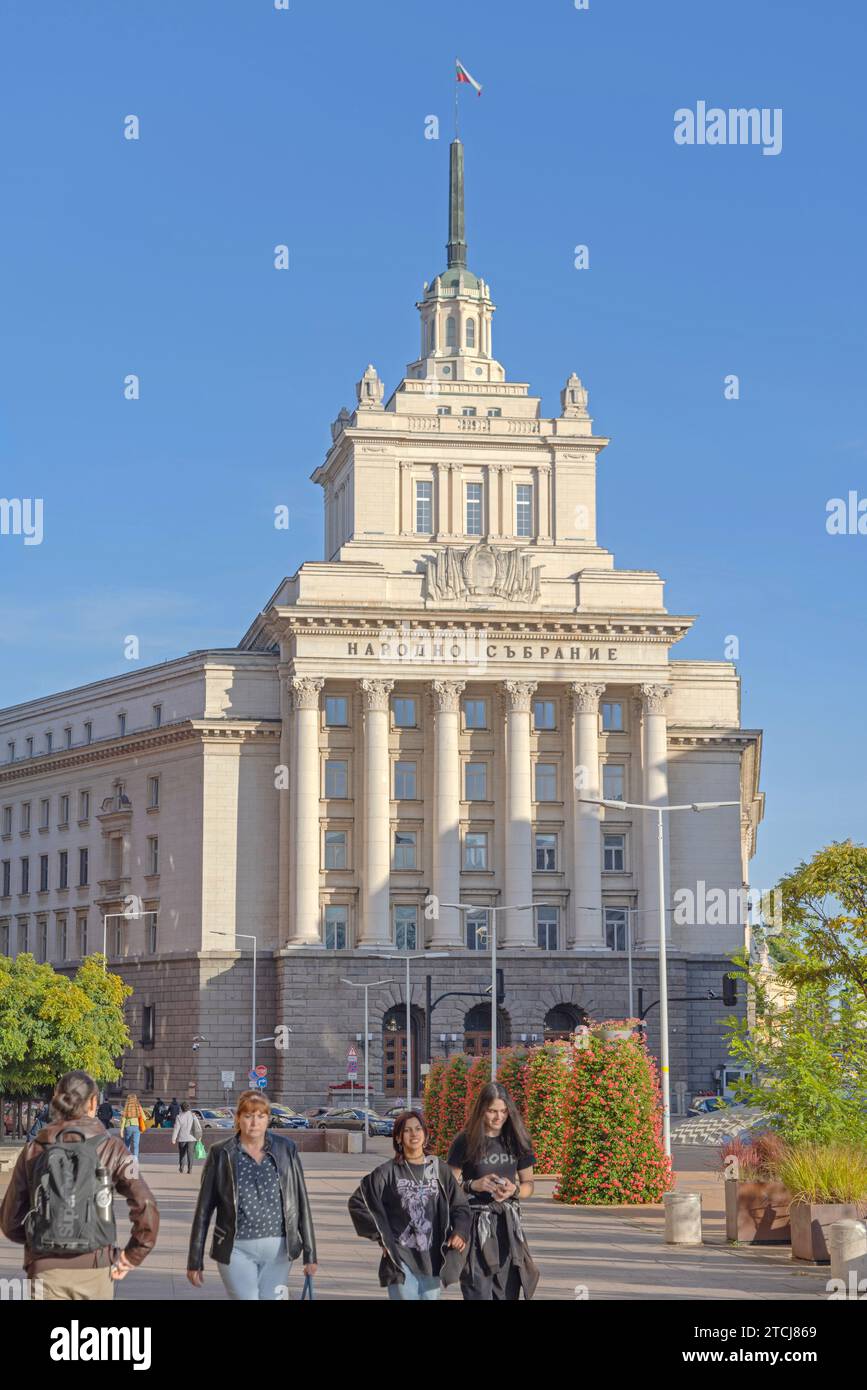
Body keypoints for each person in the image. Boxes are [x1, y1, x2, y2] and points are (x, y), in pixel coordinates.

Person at [0, 1069, 160, 1301]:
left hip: (45, 1270)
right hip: (95, 1267)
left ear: (56, 1099)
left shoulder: (34, 1149)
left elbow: (10, 1221)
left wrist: (42, 1236)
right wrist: (133, 1254)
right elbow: (146, 1204)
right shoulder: (111, 1148)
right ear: (93, 1102)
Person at [186, 1089, 317, 1300]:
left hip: (279, 1252)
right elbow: (203, 1210)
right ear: (238, 1118)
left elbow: (301, 1202)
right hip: (236, 1249)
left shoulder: (286, 1150)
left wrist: (311, 1255)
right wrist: (195, 1259)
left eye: (260, 1116)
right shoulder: (222, 1153)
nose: (254, 1122)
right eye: (248, 1116)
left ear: (268, 1120)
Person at [348, 1110, 471, 1300]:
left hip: (432, 1259)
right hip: (401, 1259)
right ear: (398, 1137)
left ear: (425, 1134)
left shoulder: (439, 1170)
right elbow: (358, 1202)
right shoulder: (387, 1172)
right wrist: (383, 1237)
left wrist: (460, 1231)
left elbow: (460, 1206)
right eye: (407, 1131)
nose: (414, 1134)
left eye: (418, 1129)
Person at [447, 1081, 539, 1301]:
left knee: (507, 1293)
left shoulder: (517, 1139)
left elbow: (529, 1185)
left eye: (503, 1111)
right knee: (477, 1290)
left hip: (507, 1227)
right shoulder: (465, 1141)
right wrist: (473, 1185)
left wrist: (514, 1190)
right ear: (481, 1110)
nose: (499, 1117)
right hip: (475, 1227)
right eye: (492, 1111)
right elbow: (447, 1187)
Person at [172, 1102, 203, 1173]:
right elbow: (198, 1127)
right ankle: (190, 1169)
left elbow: (176, 1128)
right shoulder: (193, 1116)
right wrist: (199, 1136)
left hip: (182, 1138)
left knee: (182, 1154)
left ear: (181, 1108)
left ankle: (181, 1167)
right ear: (189, 1108)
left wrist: (173, 1138)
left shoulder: (179, 1116)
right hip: (192, 1138)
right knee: (190, 1154)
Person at [119, 1094, 146, 1160]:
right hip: (137, 1127)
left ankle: (127, 1158)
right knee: (136, 1145)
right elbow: (144, 1118)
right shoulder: (138, 1107)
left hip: (128, 1127)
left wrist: (121, 1130)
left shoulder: (127, 1107)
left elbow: (124, 1119)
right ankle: (135, 1159)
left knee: (127, 1144)